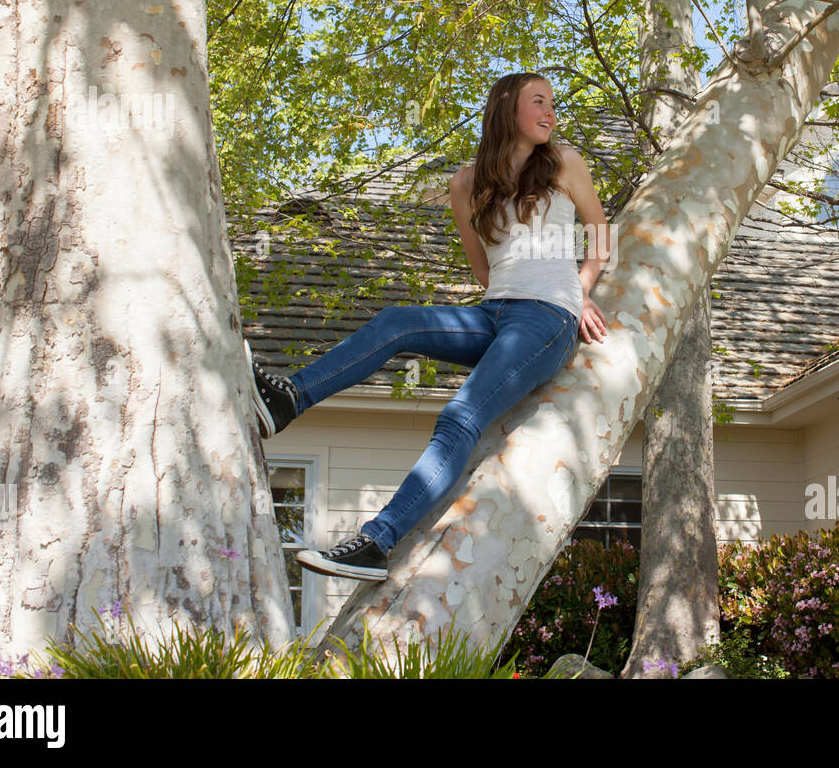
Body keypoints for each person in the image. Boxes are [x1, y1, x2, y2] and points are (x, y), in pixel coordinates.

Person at [245, 72, 611, 581]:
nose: (550, 112)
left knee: (459, 416)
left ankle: (376, 541)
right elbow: (482, 268)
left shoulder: (565, 163)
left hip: (547, 317)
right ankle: (289, 400)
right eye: (539, 102)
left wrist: (581, 287)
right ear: (507, 108)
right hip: (492, 313)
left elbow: (599, 230)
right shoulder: (466, 181)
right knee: (398, 322)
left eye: (551, 103)